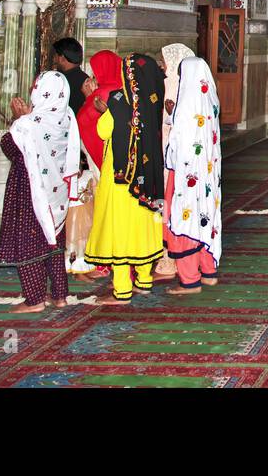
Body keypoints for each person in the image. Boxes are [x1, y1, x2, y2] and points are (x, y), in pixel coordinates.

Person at [84, 53, 167, 305]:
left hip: (121, 179)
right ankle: (144, 280)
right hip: (148, 177)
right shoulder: (154, 102)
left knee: (119, 228)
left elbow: (102, 132)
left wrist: (104, 111)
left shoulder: (119, 100)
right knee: (143, 225)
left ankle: (121, 289)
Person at [0, 71, 80, 313]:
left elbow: (9, 148)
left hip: (30, 190)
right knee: (54, 240)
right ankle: (60, 295)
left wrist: (19, 119)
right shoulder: (67, 116)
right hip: (57, 190)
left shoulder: (26, 124)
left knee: (30, 240)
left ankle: (34, 300)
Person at [163, 56, 223, 294]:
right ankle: (208, 272)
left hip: (186, 175)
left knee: (183, 219)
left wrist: (172, 113)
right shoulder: (210, 99)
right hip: (208, 175)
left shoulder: (186, 103)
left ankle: (189, 280)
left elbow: (180, 139)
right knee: (205, 218)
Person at [69, 50, 123, 279]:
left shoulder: (104, 91)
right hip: (116, 159)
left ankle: (105, 261)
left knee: (103, 211)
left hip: (104, 160)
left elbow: (83, 121)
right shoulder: (122, 89)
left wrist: (87, 96)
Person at [152, 43, 197, 282]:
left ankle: (168, 261)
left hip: (171, 155)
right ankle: (184, 259)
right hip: (184, 158)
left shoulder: (172, 84)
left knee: (169, 207)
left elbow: (171, 120)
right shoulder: (189, 84)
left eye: (165, 59)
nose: (162, 64)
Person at [52, 37, 88, 114]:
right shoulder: (86, 79)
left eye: (55, 56)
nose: (54, 60)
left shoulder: (58, 81)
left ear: (62, 59)